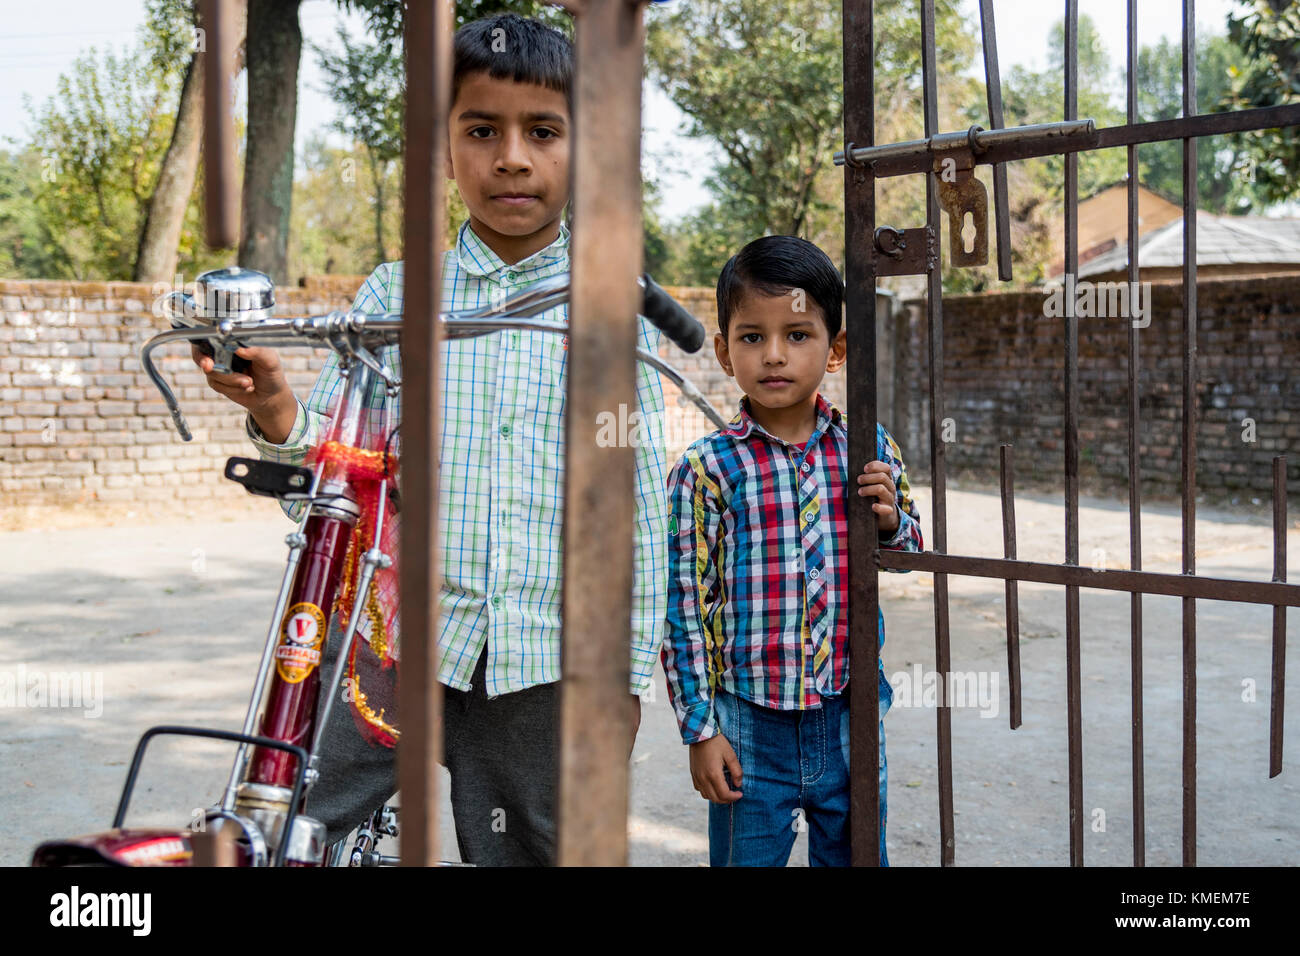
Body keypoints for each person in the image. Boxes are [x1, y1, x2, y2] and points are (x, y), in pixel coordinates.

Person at [191, 14, 668, 865]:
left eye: (543, 132)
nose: (511, 158)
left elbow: (636, 513)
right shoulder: (395, 296)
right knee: (300, 824)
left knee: (533, 845)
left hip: (542, 655)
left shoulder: (609, 316)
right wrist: (272, 406)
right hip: (390, 635)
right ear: (444, 146)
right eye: (481, 130)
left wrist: (627, 677)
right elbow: (330, 461)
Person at [660, 234, 923, 867]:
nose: (774, 355)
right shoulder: (708, 468)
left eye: (798, 335)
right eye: (752, 337)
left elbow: (912, 551)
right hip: (748, 726)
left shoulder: (867, 446)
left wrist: (889, 523)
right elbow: (683, 604)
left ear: (834, 351)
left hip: (850, 717)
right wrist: (701, 728)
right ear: (724, 352)